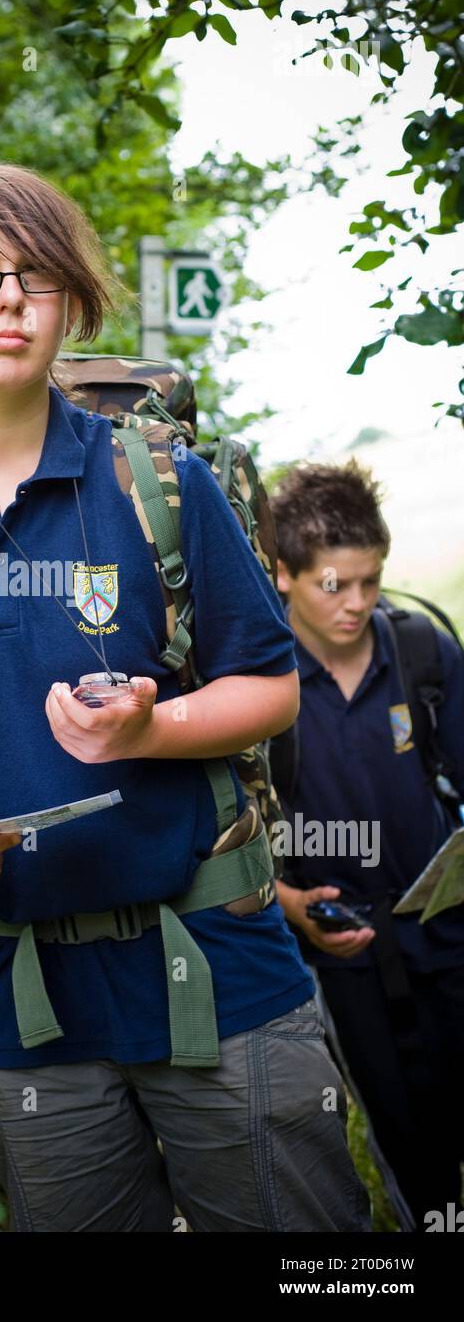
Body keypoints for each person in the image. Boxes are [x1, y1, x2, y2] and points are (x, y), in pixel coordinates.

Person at [0, 161, 371, 1233]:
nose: (10, 299)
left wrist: (151, 729)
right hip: (12, 992)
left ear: (70, 302)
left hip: (216, 962)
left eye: (37, 273)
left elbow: (269, 688)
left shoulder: (158, 482)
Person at [269, 459, 464, 1231]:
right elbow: (217, 832)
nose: (356, 603)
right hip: (344, 957)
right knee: (404, 1137)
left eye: (369, 581)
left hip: (448, 932)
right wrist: (287, 903)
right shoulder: (253, 684)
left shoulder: (422, 654)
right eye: (332, 585)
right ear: (283, 575)